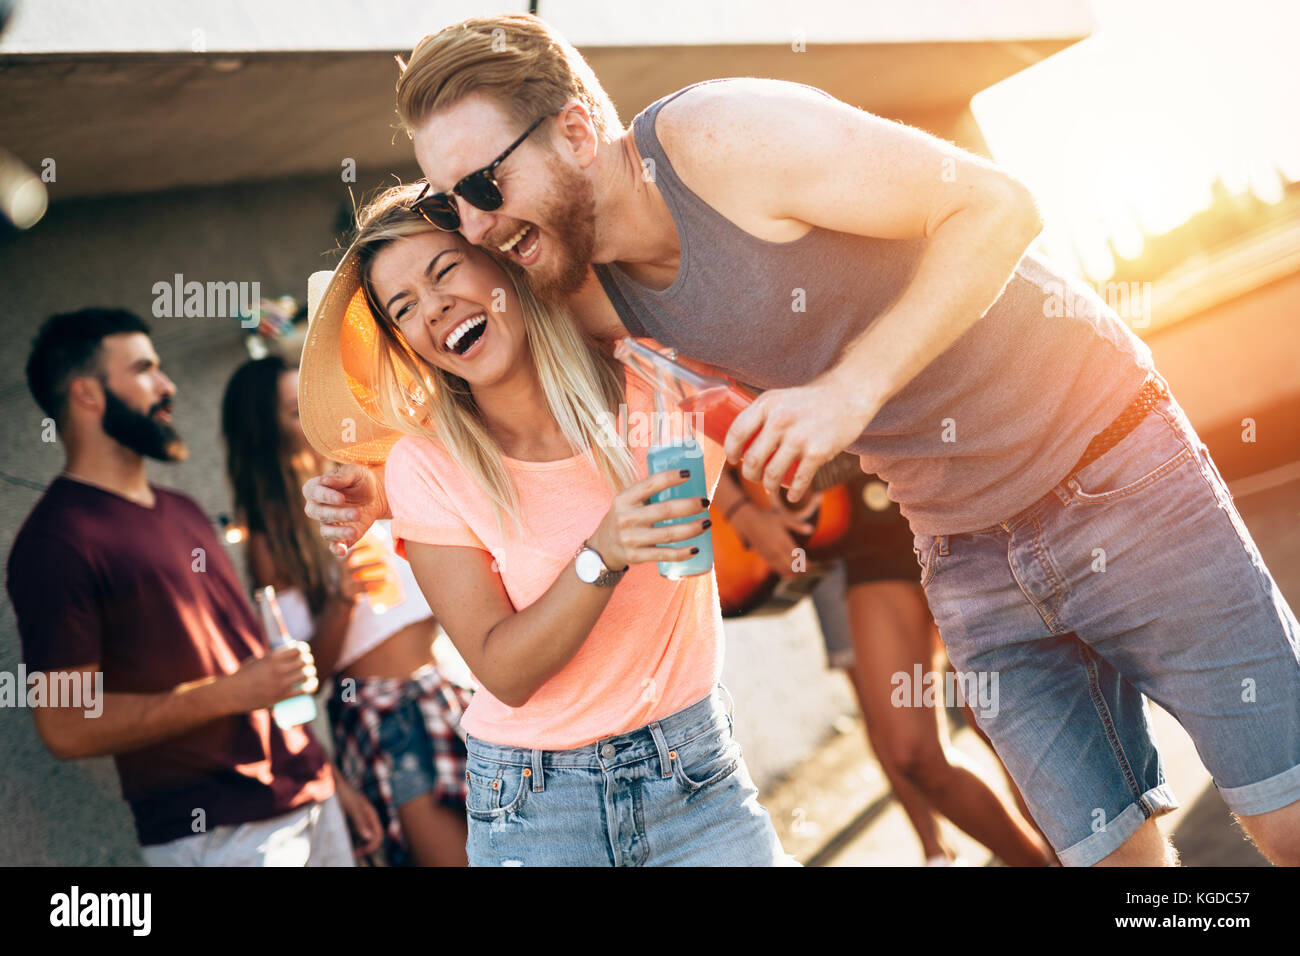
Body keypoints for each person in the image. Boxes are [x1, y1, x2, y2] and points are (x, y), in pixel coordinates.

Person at [306, 14, 1300, 867]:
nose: (475, 227)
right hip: (958, 541)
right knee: (1112, 857)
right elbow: (486, 385)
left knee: (1282, 815)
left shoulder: (720, 139)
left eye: (483, 186)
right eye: (452, 203)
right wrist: (377, 487)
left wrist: (847, 391)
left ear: (573, 130)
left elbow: (1000, 206)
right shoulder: (578, 289)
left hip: (1107, 461)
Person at [297, 183, 792, 867]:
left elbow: (788, 392)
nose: (433, 308)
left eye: (445, 271)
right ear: (407, 344)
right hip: (537, 807)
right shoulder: (427, 467)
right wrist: (603, 553)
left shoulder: (657, 383)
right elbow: (503, 671)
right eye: (404, 308)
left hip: (695, 777)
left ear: (501, 261)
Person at [8, 308, 356, 866]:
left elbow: (253, 668)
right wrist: (231, 693)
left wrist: (328, 775)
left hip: (309, 794)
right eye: (143, 369)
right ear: (86, 393)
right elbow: (65, 726)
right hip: (219, 832)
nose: (167, 385)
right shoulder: (56, 542)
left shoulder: (184, 511)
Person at [717, 464, 1056, 866]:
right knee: (911, 755)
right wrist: (745, 512)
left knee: (1001, 719)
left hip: (946, 500)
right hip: (867, 536)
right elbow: (696, 433)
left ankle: (1084, 855)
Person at [221, 355, 472, 866]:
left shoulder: (370, 477)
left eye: (312, 402)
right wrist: (342, 598)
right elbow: (301, 677)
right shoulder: (274, 538)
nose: (314, 418)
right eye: (295, 411)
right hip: (386, 714)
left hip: (447, 691)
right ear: (266, 432)